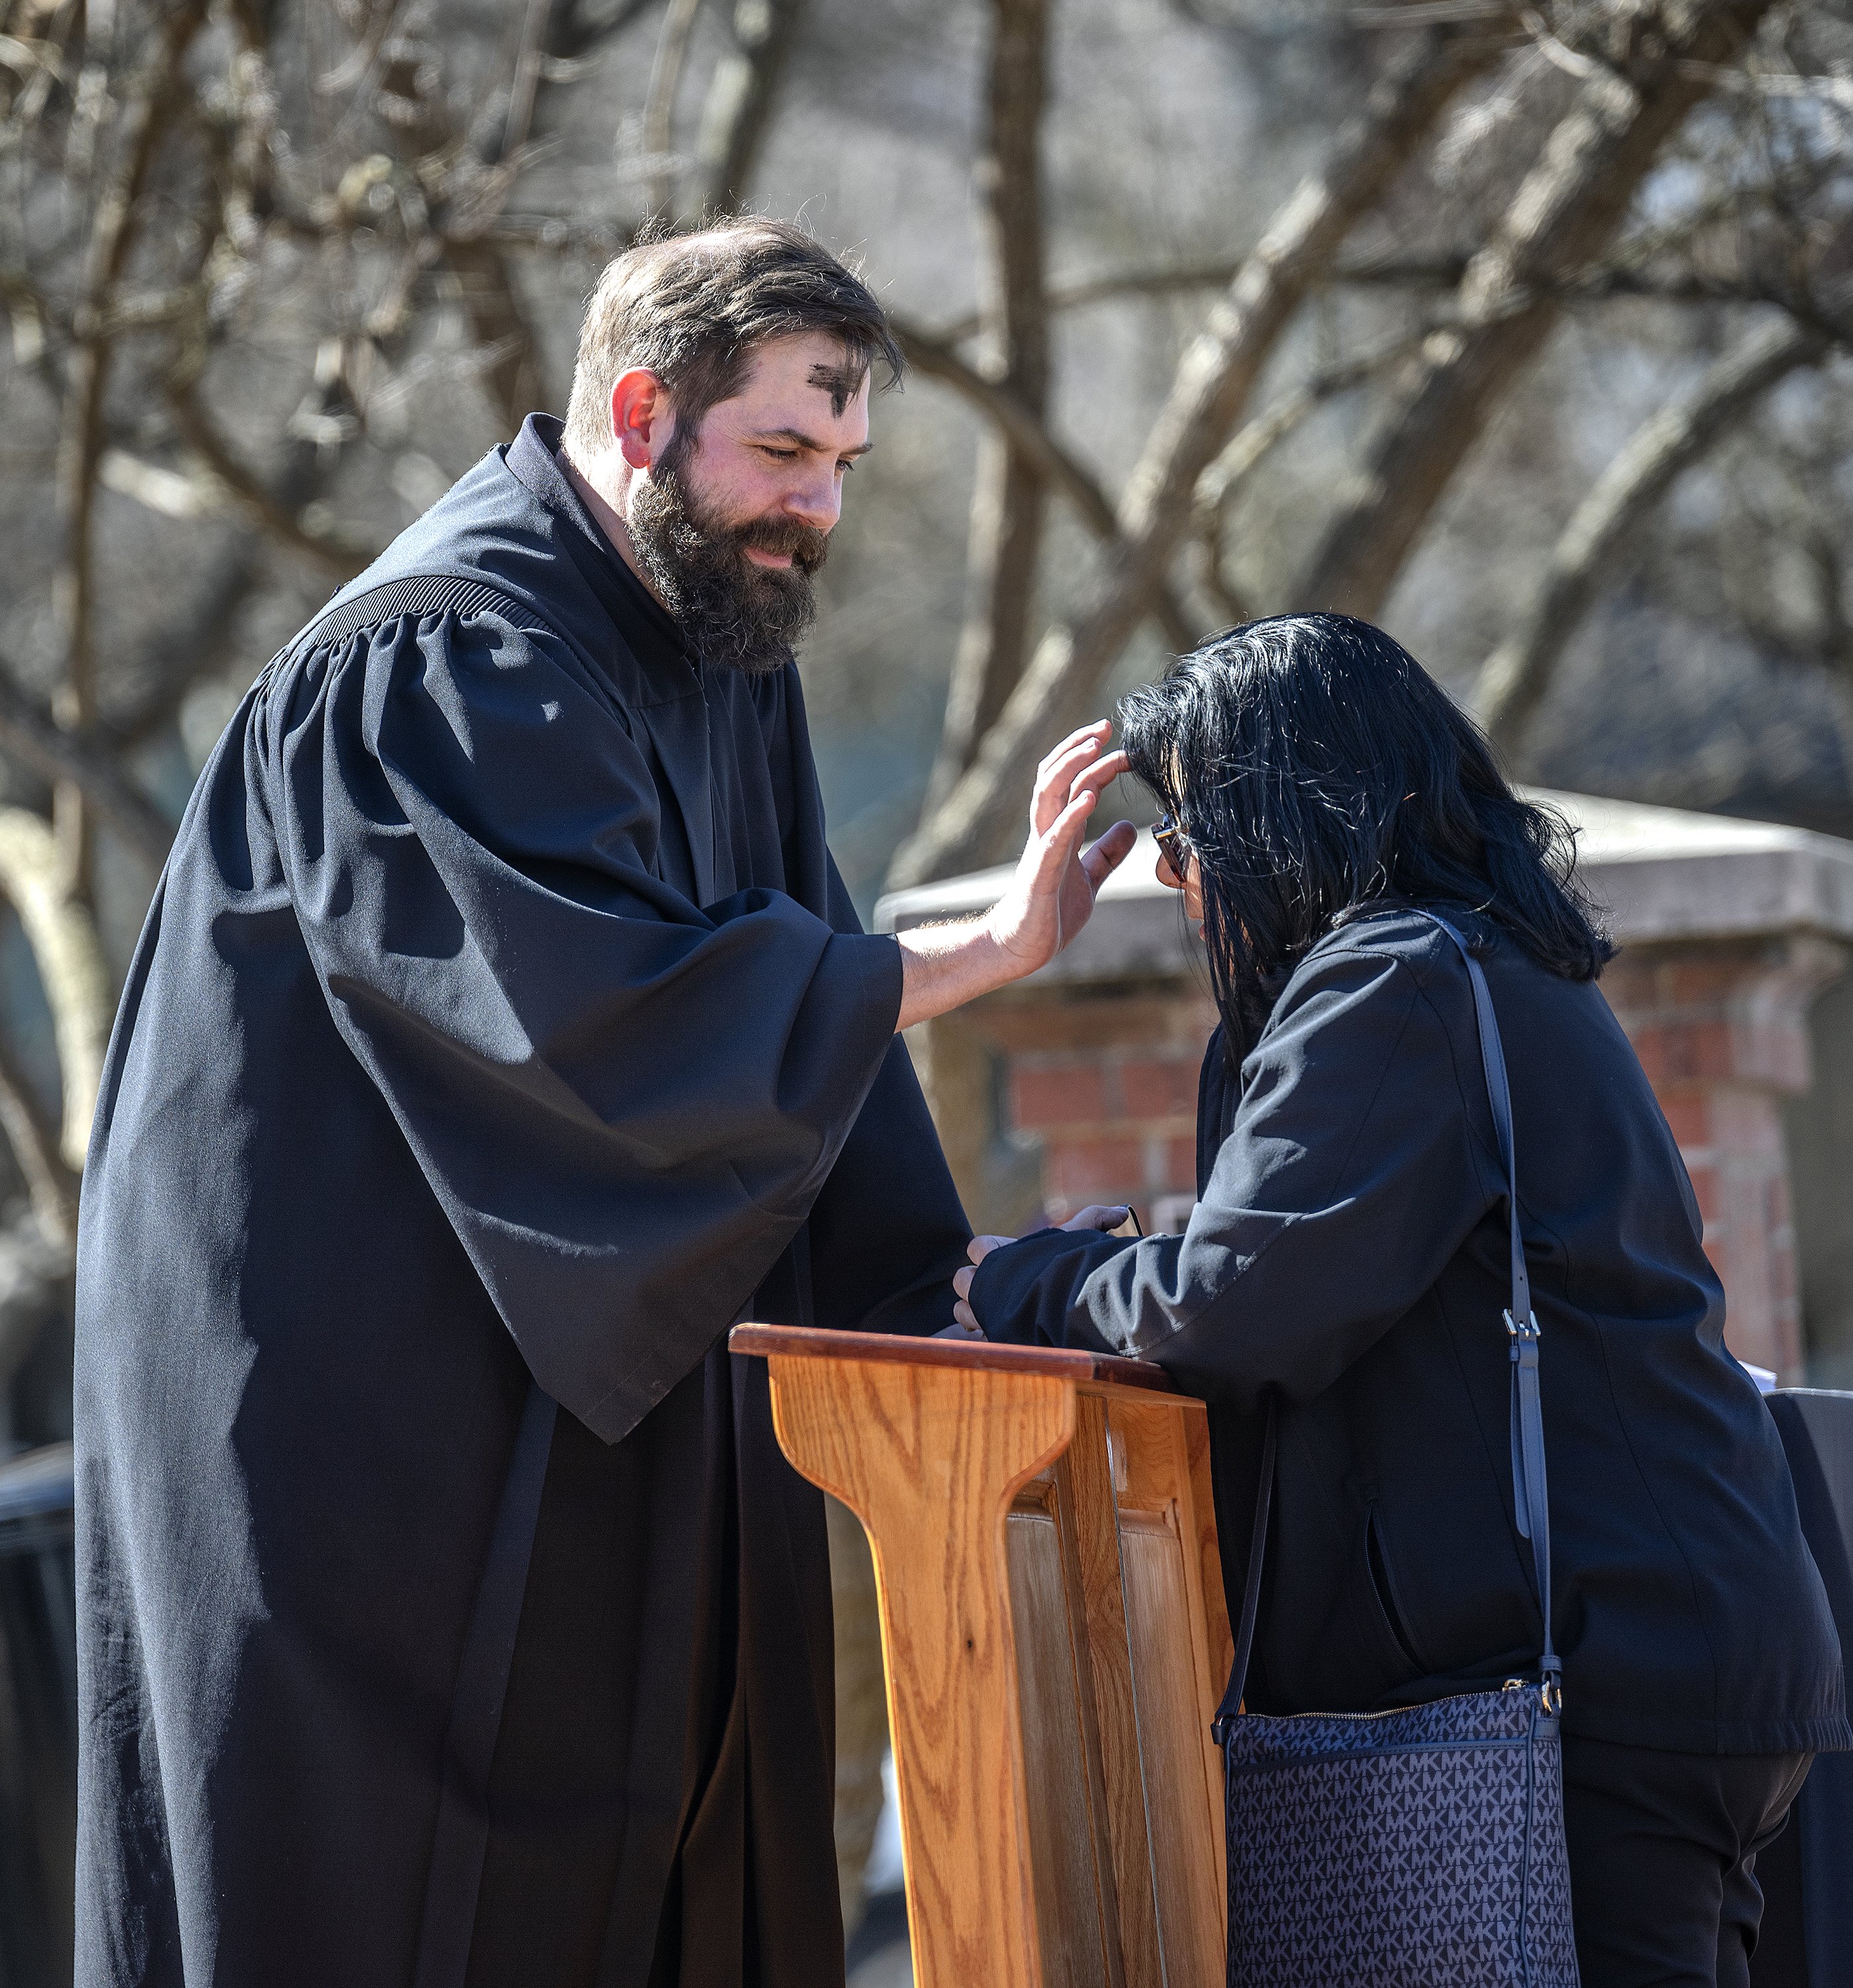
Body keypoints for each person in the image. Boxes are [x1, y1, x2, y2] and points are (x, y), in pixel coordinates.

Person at [72, 219, 1135, 1988]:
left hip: (581, 1416)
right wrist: (976, 956)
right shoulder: (442, 657)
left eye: (843, 465)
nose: (817, 511)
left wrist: (950, 1291)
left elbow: (789, 985)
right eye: (781, 453)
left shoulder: (720, 651)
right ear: (641, 413)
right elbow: (608, 1028)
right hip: (359, 1450)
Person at [954, 614, 1850, 1988]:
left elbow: (1236, 1307)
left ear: (1287, 817)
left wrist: (1024, 1280)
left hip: (1583, 1683)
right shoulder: (1480, 963)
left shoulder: (1394, 981)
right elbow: (1298, 1265)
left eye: (1195, 835)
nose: (1181, 881)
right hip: (1666, 1651)